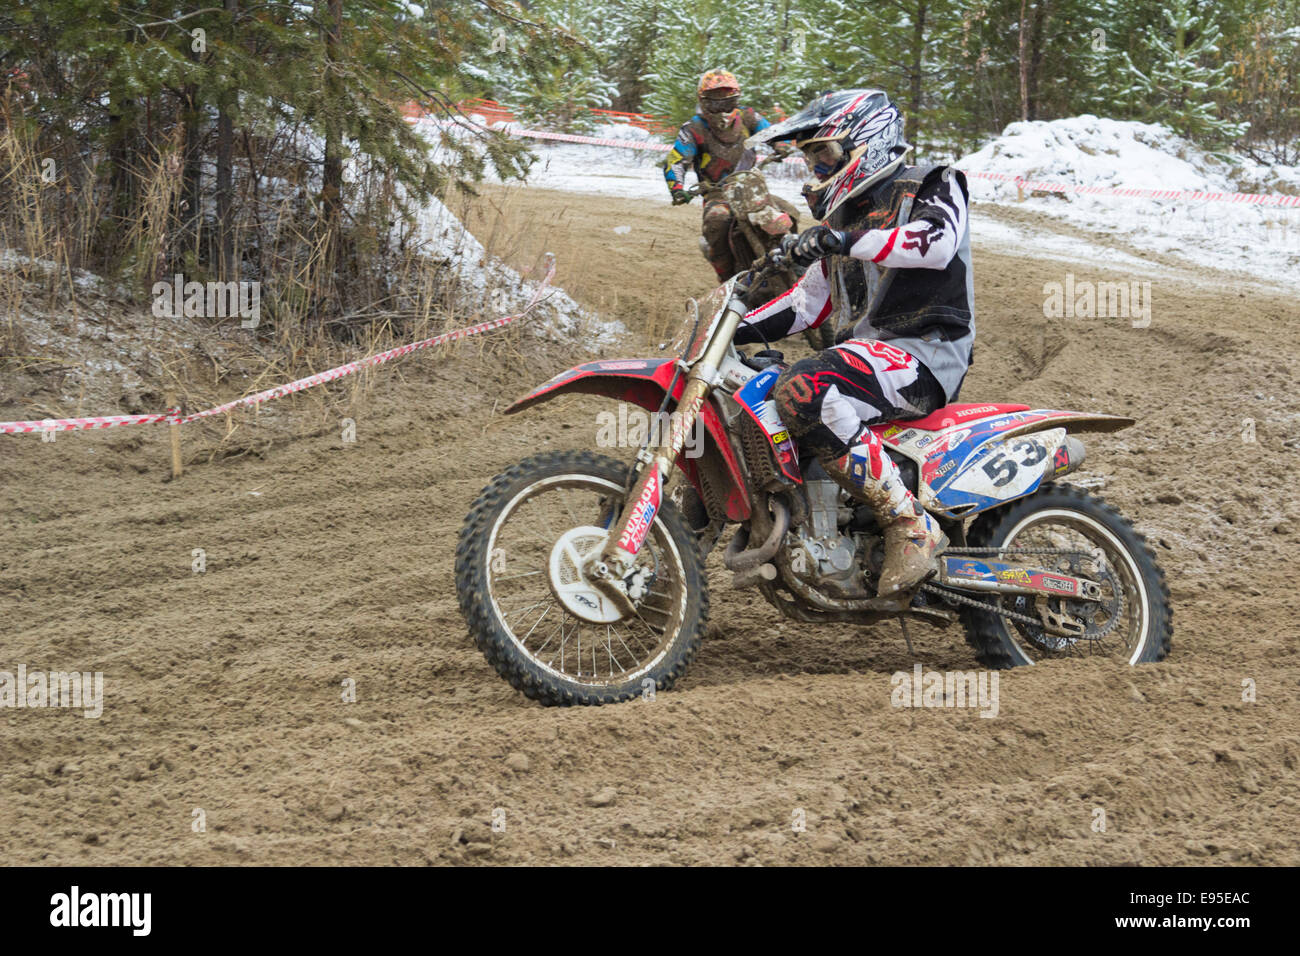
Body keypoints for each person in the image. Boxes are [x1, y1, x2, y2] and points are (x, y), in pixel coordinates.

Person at [735, 89, 975, 597]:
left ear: (867, 141)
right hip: (869, 359)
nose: (817, 167)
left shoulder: (934, 183)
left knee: (806, 386)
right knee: (752, 394)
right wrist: (730, 326)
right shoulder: (841, 220)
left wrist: (843, 240)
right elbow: (805, 305)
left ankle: (910, 525)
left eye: (824, 153)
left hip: (924, 354)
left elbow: (936, 242)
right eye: (810, 157)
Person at [662, 70, 777, 280]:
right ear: (703, 101)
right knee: (718, 221)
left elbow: (772, 132)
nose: (723, 108)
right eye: (716, 101)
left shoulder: (748, 116)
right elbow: (677, 159)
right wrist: (677, 188)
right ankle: (725, 277)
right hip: (716, 192)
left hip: (751, 187)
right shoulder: (694, 128)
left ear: (737, 99)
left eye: (728, 101)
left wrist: (783, 145)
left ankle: (792, 265)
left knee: (786, 213)